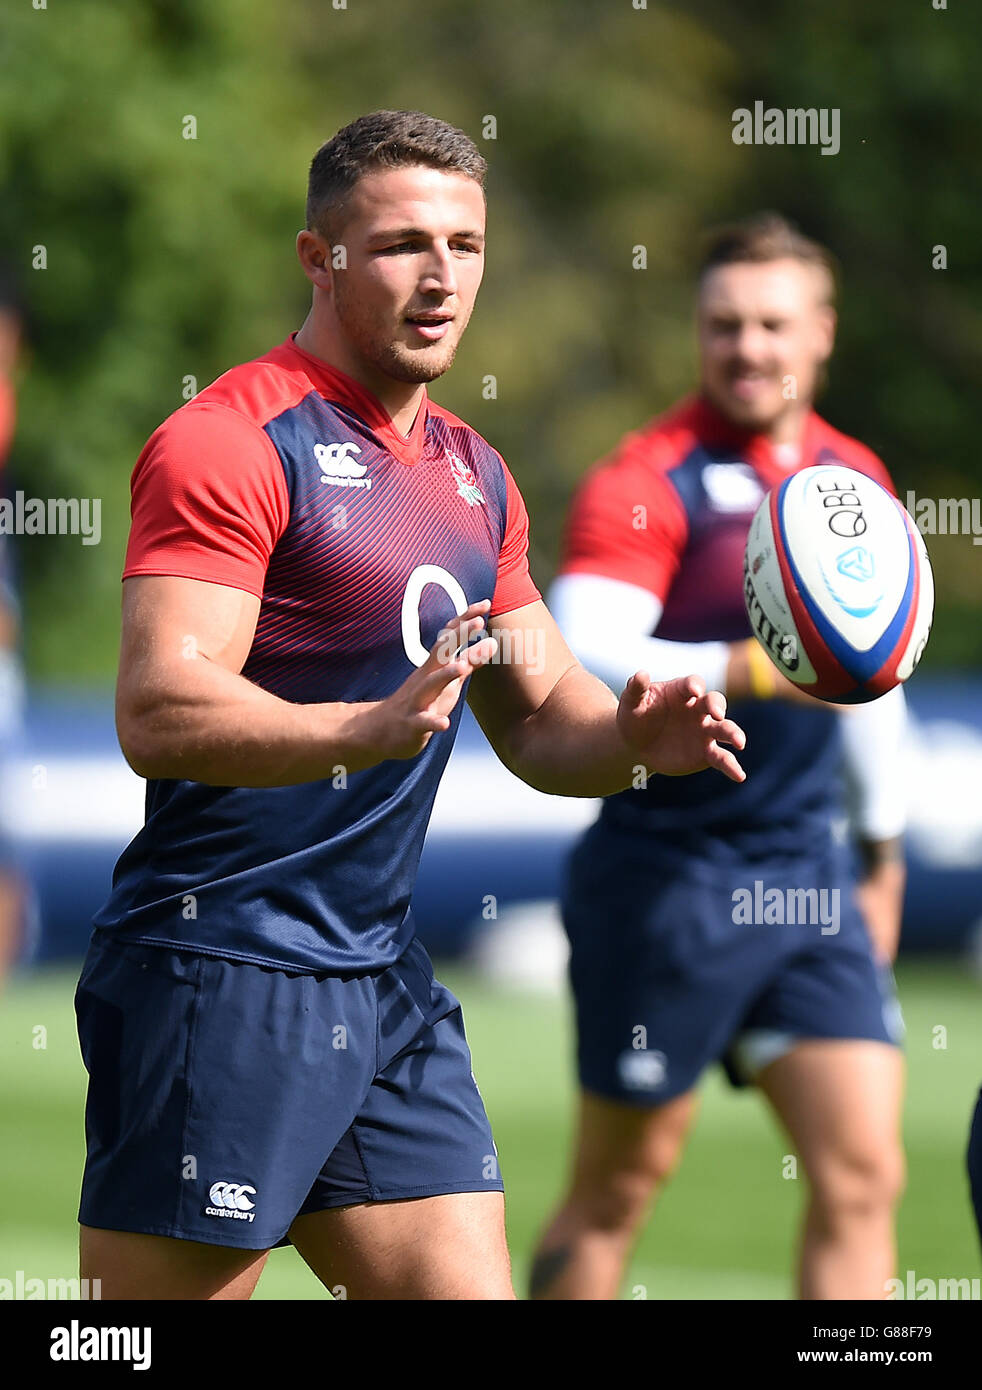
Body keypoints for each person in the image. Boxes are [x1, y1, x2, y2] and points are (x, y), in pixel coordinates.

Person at [74, 110, 746, 1301]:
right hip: (219, 970)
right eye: (400, 246)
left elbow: (544, 720)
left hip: (379, 980)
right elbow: (160, 708)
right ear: (318, 257)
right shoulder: (228, 441)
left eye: (467, 244)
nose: (442, 277)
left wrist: (638, 743)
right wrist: (362, 730)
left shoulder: (477, 476)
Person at [532, 213, 908, 1301]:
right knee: (619, 1187)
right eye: (723, 324)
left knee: (861, 1172)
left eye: (772, 324)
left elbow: (872, 678)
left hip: (805, 880)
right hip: (664, 881)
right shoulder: (649, 474)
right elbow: (585, 637)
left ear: (822, 333)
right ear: (696, 332)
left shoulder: (854, 475)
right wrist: (747, 666)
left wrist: (879, 856)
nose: (748, 347)